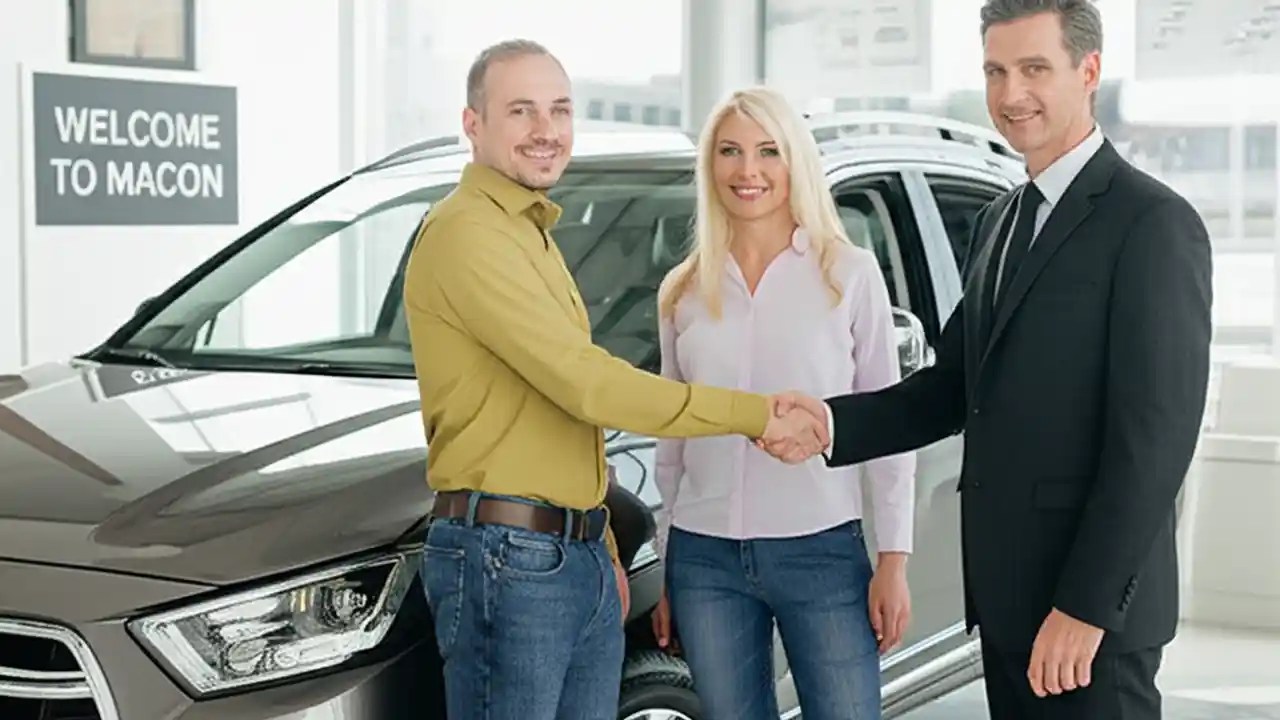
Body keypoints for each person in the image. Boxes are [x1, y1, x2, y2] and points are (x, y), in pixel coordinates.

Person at [768, 1, 1212, 718]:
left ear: (1088, 70)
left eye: (1035, 68)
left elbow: (1154, 445)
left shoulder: (1152, 224)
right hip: (1006, 606)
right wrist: (827, 423)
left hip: (1088, 619)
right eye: (996, 71)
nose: (1010, 94)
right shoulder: (1001, 221)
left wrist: (1084, 607)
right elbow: (950, 388)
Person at [402, 40, 828, 720]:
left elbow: (554, 411)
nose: (546, 130)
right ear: (473, 123)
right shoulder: (468, 234)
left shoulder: (529, 231)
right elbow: (587, 386)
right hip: (509, 561)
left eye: (560, 109)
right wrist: (756, 414)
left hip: (564, 554)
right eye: (521, 110)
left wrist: (594, 538)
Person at [649, 86, 915, 720]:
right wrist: (667, 569)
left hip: (820, 548)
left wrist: (894, 561)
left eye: (768, 151)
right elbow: (671, 442)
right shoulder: (683, 289)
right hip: (703, 556)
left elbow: (887, 424)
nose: (749, 171)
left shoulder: (847, 274)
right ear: (709, 165)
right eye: (730, 151)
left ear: (795, 159)